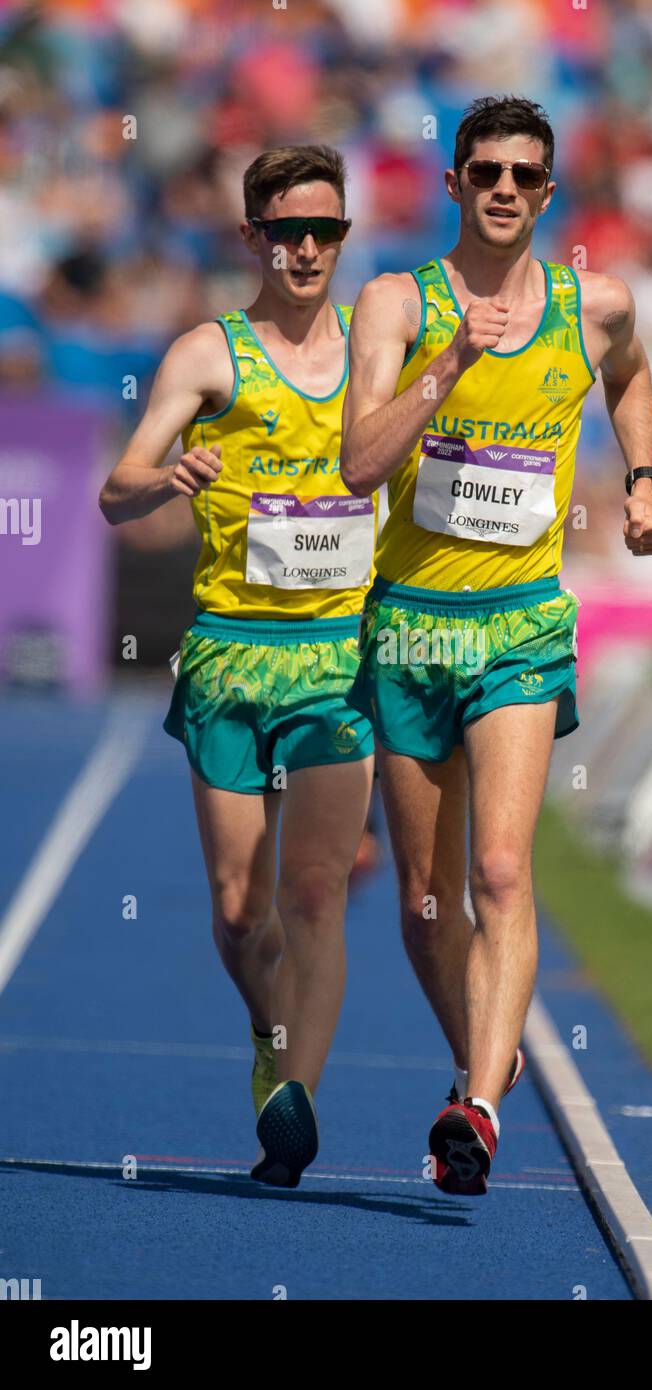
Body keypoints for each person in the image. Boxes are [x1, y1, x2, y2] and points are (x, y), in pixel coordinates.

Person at [341, 96, 652, 1196]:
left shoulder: (594, 304)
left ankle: (475, 1106)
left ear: (549, 189)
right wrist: (444, 368)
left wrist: (642, 478)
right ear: (451, 183)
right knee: (426, 903)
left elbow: (626, 374)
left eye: (526, 174)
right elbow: (353, 464)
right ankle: (486, 1047)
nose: (504, 190)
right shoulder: (396, 302)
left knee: (498, 868)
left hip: (520, 627)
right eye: (484, 170)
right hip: (406, 627)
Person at [99, 145, 377, 1188]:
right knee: (235, 908)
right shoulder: (207, 356)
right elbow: (116, 491)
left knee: (314, 892)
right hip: (227, 655)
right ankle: (270, 1030)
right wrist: (168, 473)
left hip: (336, 661)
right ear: (254, 237)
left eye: (326, 232)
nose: (306, 250)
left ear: (343, 238)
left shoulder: (374, 355)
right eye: (287, 232)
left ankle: (296, 1099)